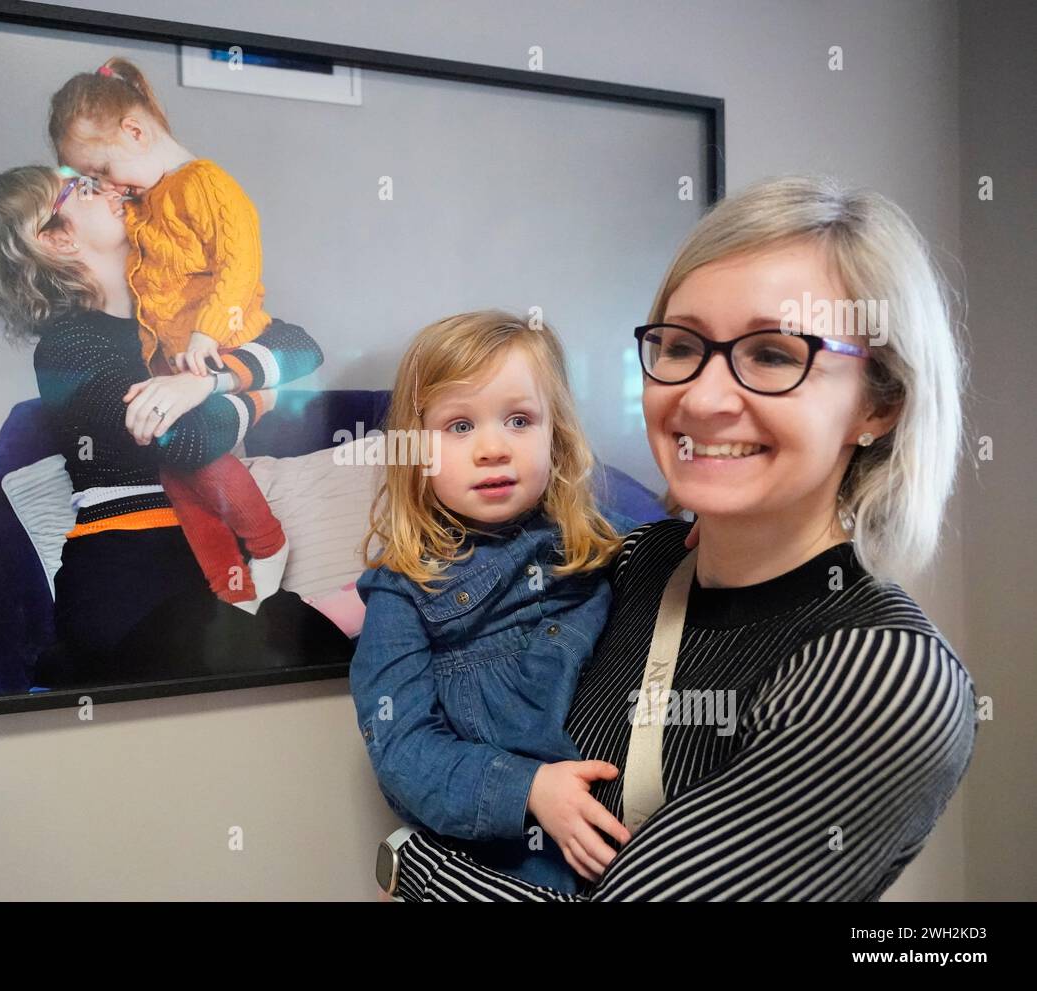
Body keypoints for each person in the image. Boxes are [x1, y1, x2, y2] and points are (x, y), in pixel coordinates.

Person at [375, 175, 978, 900]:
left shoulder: (883, 676)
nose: (702, 397)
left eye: (774, 354)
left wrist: (411, 864)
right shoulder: (635, 563)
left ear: (878, 405)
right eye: (682, 345)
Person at [0, 164, 354, 687]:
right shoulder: (69, 347)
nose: (112, 188)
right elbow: (189, 443)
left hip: (208, 571)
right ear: (56, 238)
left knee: (322, 654)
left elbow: (301, 347)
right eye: (81, 188)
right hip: (129, 583)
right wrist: (257, 393)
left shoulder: (185, 317)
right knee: (290, 649)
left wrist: (204, 384)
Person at [350, 310, 631, 891]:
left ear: (557, 436)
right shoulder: (402, 591)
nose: (493, 448)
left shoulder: (598, 544)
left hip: (627, 850)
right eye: (459, 427)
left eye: (520, 420)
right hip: (495, 865)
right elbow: (401, 749)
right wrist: (527, 788)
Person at [46, 56, 295, 611]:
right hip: (181, 363)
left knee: (196, 459)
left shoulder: (202, 183)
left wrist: (210, 342)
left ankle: (268, 542)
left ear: (135, 132)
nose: (111, 189)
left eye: (104, 173)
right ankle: (233, 588)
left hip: (217, 346)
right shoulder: (146, 203)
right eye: (93, 185)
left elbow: (240, 261)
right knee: (181, 478)